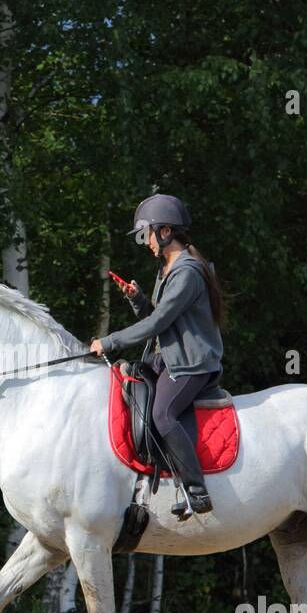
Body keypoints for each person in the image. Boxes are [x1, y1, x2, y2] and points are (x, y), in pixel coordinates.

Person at [89, 194, 226, 517]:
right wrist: (138, 300)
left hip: (192, 365)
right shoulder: (168, 270)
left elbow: (158, 323)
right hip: (170, 359)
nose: (145, 242)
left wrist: (108, 342)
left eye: (147, 234)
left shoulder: (187, 272)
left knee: (163, 415)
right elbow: (161, 319)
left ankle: (196, 491)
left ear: (165, 231)